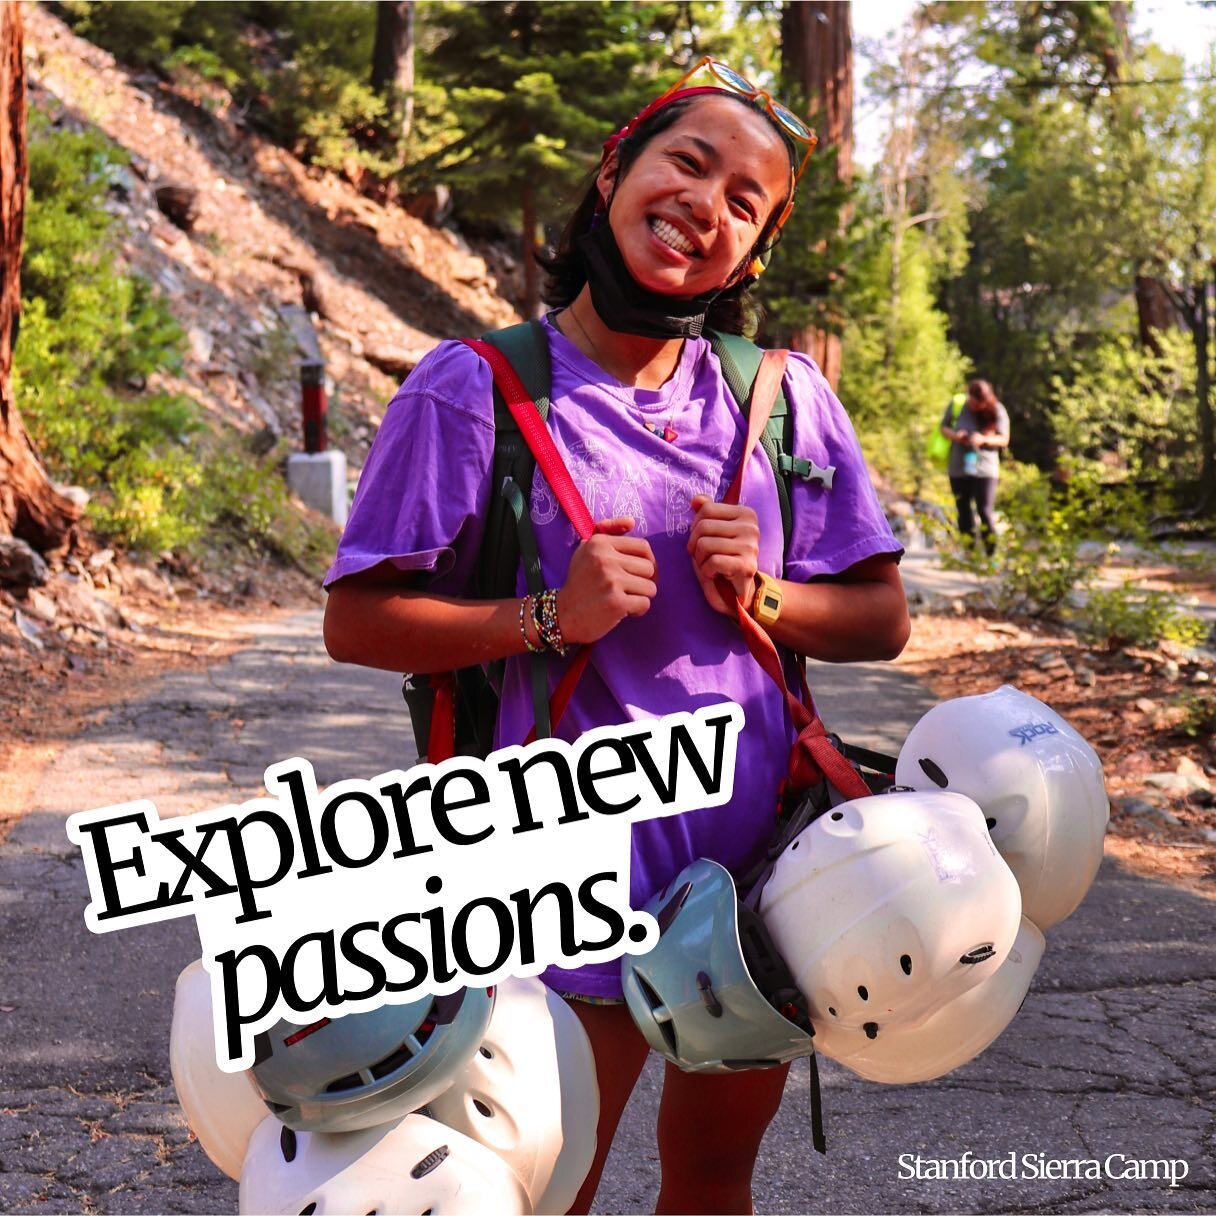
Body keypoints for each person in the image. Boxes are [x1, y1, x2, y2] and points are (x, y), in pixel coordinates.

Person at [323, 58, 909, 1216]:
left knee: (710, 1181)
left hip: (751, 881)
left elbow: (881, 619)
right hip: (553, 871)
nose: (708, 202)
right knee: (550, 1188)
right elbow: (357, 621)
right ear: (615, 172)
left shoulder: (784, 400)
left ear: (753, 252)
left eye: (746, 201)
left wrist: (770, 595)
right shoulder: (470, 389)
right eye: (688, 162)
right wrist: (549, 616)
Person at [941, 378, 1010, 555]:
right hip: (959, 467)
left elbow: (1004, 439)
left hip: (985, 468)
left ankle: (991, 554)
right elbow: (943, 427)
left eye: (977, 403)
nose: (973, 405)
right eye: (971, 401)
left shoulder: (997, 409)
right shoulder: (958, 405)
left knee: (985, 510)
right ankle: (969, 552)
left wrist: (983, 439)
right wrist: (957, 437)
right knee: (963, 509)